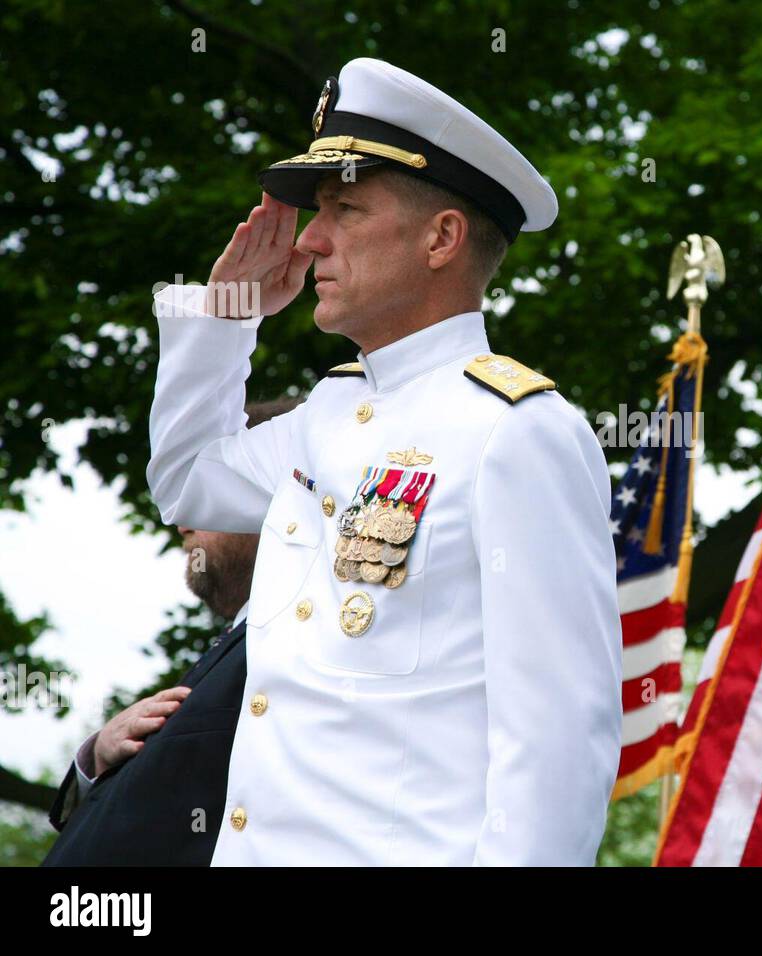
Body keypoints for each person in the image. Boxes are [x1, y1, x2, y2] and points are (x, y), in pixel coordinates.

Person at [146, 57, 622, 866]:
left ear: (442, 238)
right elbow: (186, 477)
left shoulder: (518, 432)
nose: (311, 239)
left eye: (347, 209)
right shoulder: (327, 413)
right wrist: (224, 314)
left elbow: (556, 748)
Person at [43, 399, 298, 865]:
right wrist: (97, 758)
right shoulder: (242, 641)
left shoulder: (301, 644)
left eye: (206, 492)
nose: (180, 519)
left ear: (281, 501)